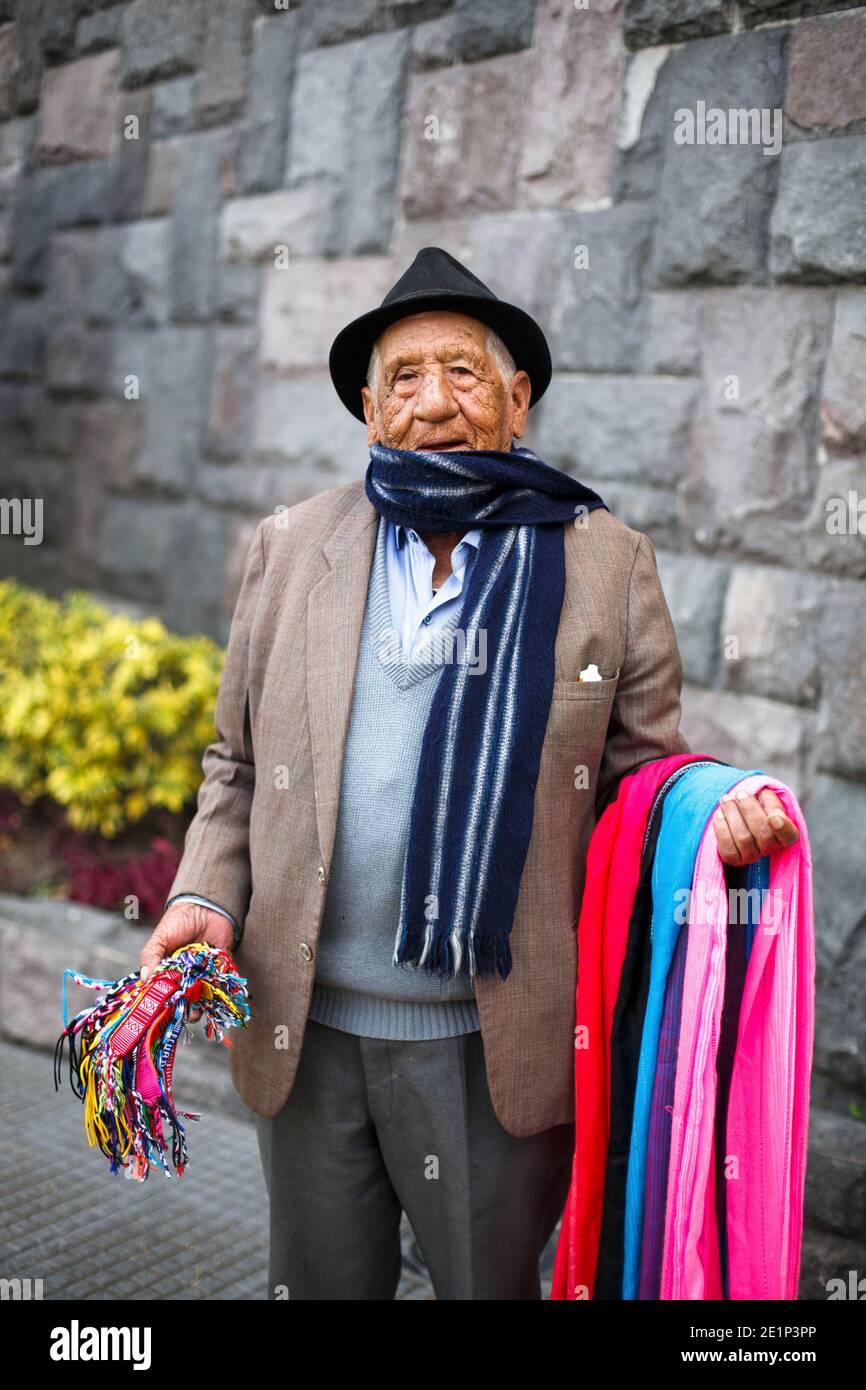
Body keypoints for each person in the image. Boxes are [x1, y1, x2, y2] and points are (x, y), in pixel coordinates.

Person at [140, 247, 799, 1300]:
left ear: (515, 399)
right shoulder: (290, 546)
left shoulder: (601, 561)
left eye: (462, 371)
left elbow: (645, 774)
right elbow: (236, 762)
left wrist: (714, 806)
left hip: (490, 1051)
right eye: (402, 377)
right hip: (306, 1033)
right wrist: (203, 892)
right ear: (367, 409)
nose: (432, 401)